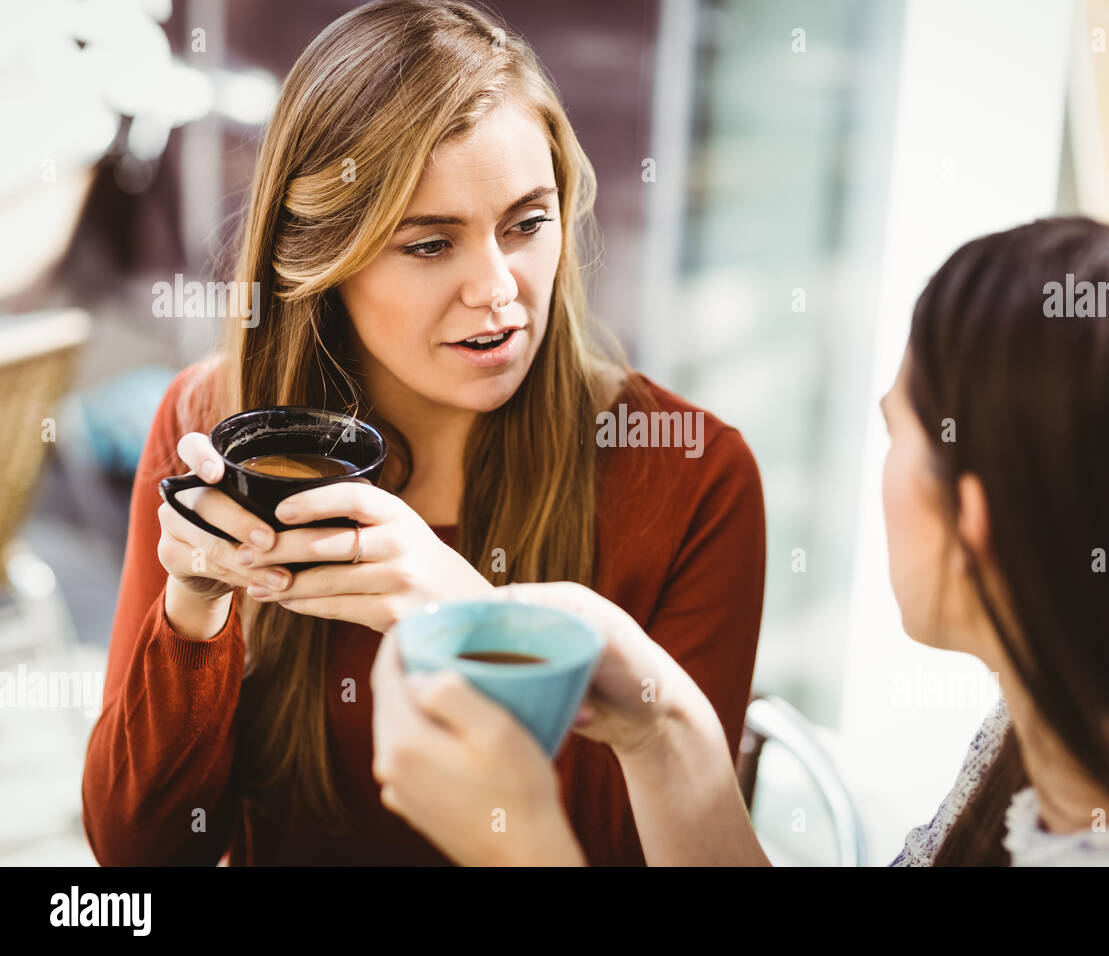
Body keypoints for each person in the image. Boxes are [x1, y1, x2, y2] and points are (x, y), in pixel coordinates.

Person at [371, 217, 1109, 866]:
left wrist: (522, 847)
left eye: (895, 433)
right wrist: (664, 731)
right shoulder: (1055, 741)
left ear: (972, 524)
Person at [81, 0, 765, 866]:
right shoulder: (210, 427)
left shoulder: (693, 476)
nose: (498, 290)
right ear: (323, 259)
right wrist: (194, 614)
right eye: (431, 245)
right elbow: (137, 857)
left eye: (526, 224)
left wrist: (474, 625)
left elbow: (634, 850)